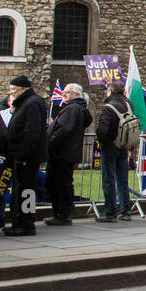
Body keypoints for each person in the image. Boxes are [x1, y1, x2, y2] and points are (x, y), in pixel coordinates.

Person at [4, 75, 47, 236]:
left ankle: (26, 224)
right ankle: (20, 222)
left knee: (25, 191)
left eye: (14, 90)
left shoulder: (32, 104)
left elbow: (32, 132)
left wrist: (22, 156)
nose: (11, 93)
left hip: (26, 159)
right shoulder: (28, 103)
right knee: (20, 190)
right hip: (22, 157)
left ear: (23, 90)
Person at [44, 83, 92, 226]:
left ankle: (62, 214)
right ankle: (63, 211)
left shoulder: (72, 109)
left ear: (76, 95)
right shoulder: (75, 108)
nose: (63, 95)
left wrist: (50, 143)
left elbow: (63, 130)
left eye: (66, 92)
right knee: (62, 182)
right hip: (67, 153)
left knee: (60, 183)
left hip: (62, 153)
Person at [95, 81, 134, 223]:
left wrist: (101, 139)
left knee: (109, 180)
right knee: (123, 180)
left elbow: (103, 129)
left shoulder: (108, 107)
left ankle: (110, 213)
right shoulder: (129, 105)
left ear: (110, 91)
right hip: (124, 146)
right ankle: (126, 211)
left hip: (110, 147)